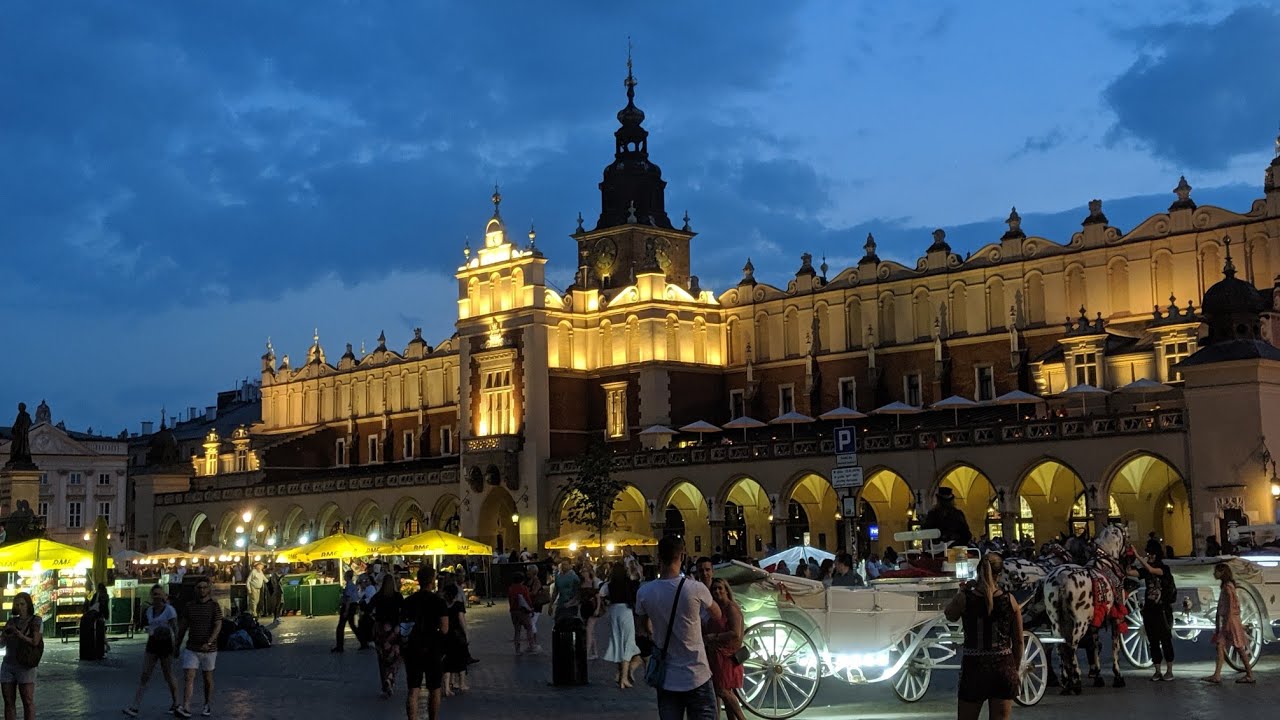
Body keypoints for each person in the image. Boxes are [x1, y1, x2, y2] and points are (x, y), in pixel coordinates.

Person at [636, 535, 722, 720]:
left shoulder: (644, 592)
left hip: (666, 678)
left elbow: (642, 628)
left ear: (658, 557)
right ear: (682, 556)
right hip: (697, 674)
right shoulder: (696, 588)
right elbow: (717, 614)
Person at [944, 552, 1022, 720]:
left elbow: (949, 615)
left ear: (978, 571)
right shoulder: (1010, 600)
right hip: (1004, 669)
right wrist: (1014, 671)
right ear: (999, 575)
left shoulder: (965, 598)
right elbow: (1019, 642)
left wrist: (963, 591)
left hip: (974, 669)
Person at [124, 584, 180, 717]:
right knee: (145, 674)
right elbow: (149, 625)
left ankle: (176, 703)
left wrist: (176, 646)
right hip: (153, 643)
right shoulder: (149, 611)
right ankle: (135, 706)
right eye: (154, 594)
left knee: (168, 674)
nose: (156, 597)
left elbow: (175, 629)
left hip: (165, 643)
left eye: (158, 594)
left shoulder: (169, 610)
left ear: (163, 596)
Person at [403, 566, 449, 720]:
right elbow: (444, 628)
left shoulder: (409, 601)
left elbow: (403, 627)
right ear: (432, 581)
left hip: (413, 648)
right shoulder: (438, 601)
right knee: (435, 689)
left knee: (413, 690)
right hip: (433, 648)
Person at [174, 579, 223, 718]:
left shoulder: (214, 606)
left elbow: (218, 625)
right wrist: (177, 645)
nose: (202, 590)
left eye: (204, 587)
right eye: (199, 587)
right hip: (192, 647)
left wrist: (209, 641)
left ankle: (207, 704)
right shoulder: (189, 606)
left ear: (209, 589)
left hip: (209, 649)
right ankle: (186, 706)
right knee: (189, 676)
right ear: (195, 589)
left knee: (207, 678)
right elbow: (183, 627)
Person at [1203, 562, 1256, 684]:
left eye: (1216, 571)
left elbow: (1232, 605)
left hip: (1230, 621)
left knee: (1238, 647)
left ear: (1222, 573)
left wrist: (1226, 623)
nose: (1214, 573)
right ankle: (1217, 675)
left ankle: (1249, 674)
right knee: (1221, 646)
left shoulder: (1227, 588)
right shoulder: (1228, 586)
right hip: (1229, 620)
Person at [1130, 546, 1174, 681]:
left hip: (1162, 610)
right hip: (1149, 610)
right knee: (1153, 641)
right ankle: (1157, 670)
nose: (1148, 556)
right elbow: (1130, 573)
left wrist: (1138, 556)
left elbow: (1150, 570)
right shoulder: (1146, 571)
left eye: (1150, 554)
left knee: (1166, 640)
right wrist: (1129, 559)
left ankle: (1169, 670)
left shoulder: (1164, 569)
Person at [704, 578, 745, 720]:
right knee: (725, 691)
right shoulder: (717, 609)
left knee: (722, 690)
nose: (717, 591)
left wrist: (714, 637)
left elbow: (735, 633)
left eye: (720, 588)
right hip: (717, 655)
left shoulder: (731, 608)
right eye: (714, 589)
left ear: (726, 590)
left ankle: (742, 718)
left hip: (727, 656)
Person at [601, 562, 643, 689]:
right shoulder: (629, 583)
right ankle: (624, 677)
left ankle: (620, 673)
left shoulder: (609, 585)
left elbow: (602, 594)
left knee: (618, 641)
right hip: (625, 610)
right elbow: (638, 582)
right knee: (628, 642)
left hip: (613, 610)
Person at [1, 592, 41, 720]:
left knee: (27, 701)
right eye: (17, 604)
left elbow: (35, 641)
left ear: (28, 605)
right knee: (8, 701)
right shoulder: (11, 621)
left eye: (22, 604)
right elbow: (1, 643)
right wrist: (5, 636)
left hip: (25, 665)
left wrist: (20, 635)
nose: (20, 607)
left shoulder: (36, 620)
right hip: (8, 664)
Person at [371, 574, 404, 698]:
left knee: (382, 658)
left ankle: (385, 682)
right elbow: (405, 610)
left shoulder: (378, 596)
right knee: (396, 655)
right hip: (394, 631)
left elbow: (368, 607)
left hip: (380, 632)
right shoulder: (397, 596)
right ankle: (391, 677)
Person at [441, 583, 472, 696]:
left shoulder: (443, 605)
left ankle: (448, 686)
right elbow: (461, 620)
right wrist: (466, 633)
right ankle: (462, 683)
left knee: (448, 661)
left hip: (445, 634)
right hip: (457, 635)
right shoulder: (458, 605)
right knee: (461, 659)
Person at [507, 571, 536, 655]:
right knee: (529, 628)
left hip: (513, 611)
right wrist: (531, 609)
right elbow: (527, 600)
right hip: (523, 611)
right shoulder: (524, 588)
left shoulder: (511, 588)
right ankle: (531, 646)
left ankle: (517, 650)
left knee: (517, 630)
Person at [332, 569, 360, 652]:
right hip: (353, 605)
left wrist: (346, 611)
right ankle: (363, 641)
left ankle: (339, 646)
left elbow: (348, 599)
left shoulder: (349, 586)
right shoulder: (352, 585)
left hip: (348, 606)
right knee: (352, 624)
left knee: (341, 626)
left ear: (347, 577)